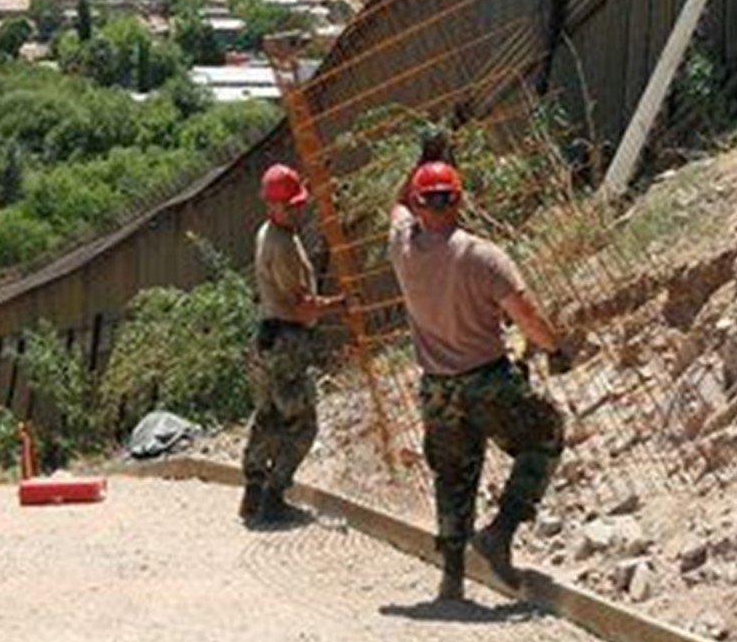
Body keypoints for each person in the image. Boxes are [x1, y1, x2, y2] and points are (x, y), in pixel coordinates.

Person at [387, 159, 569, 602]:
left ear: (417, 202)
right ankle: (500, 533)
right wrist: (555, 347)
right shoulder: (483, 257)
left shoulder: (402, 246)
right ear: (461, 200)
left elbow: (394, 206)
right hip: (486, 378)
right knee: (546, 433)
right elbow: (528, 317)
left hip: (436, 387)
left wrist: (417, 162)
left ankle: (451, 577)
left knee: (452, 475)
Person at [243, 164, 344, 525]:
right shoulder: (282, 244)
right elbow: (302, 305)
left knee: (267, 416)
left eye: (298, 203)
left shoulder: (268, 231)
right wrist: (340, 304)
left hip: (267, 336)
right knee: (302, 424)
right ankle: (274, 495)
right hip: (287, 339)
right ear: (271, 205)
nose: (297, 209)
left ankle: (253, 491)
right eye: (290, 205)